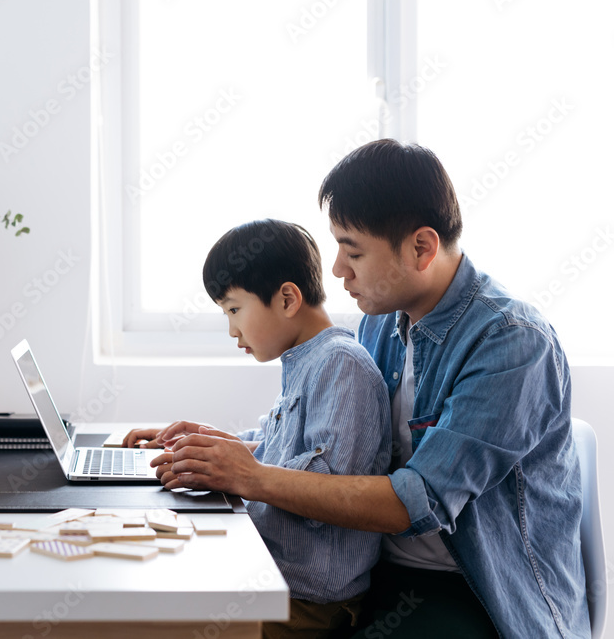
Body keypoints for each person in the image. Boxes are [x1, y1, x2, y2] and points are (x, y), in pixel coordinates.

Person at [152, 139, 590, 638]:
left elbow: (415, 502)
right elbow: (338, 449)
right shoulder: (382, 321)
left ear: (421, 247)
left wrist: (250, 477)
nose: (337, 269)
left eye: (353, 251)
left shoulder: (512, 343)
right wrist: (216, 452)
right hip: (372, 568)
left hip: (472, 588)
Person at [125, 219, 391, 639]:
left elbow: (330, 491)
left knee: (149, 619)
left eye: (234, 310)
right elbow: (278, 448)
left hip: (307, 601)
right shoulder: (306, 360)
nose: (232, 330)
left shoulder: (342, 366)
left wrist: (236, 469)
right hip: (276, 578)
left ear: (287, 298)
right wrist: (212, 442)